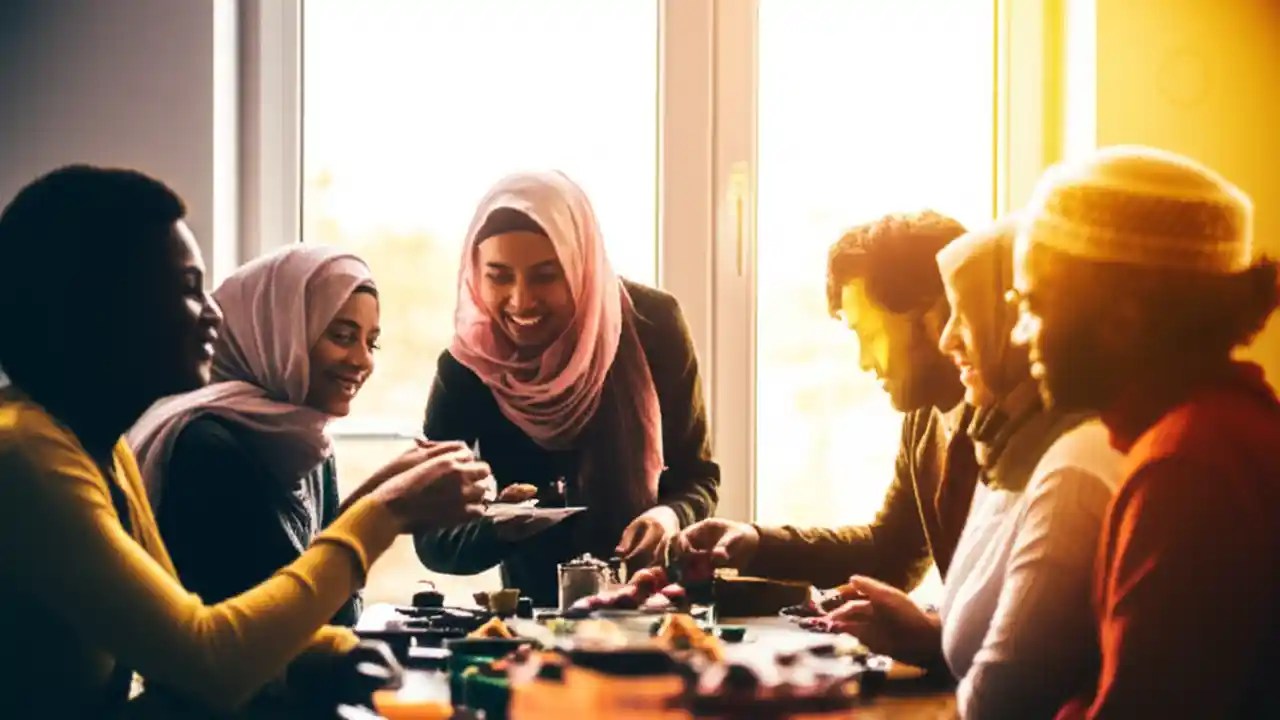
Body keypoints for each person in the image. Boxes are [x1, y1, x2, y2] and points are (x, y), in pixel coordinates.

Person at [0, 165, 489, 716]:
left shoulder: (99, 443)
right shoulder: (24, 458)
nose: (213, 313)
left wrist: (334, 648)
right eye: (188, 289)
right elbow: (208, 661)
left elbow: (185, 624)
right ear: (98, 307)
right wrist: (388, 511)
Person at [1010, 145, 1280, 719]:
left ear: (1122, 320)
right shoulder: (1217, 432)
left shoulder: (1185, 471)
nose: (1020, 335)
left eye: (1035, 305)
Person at [824, 217, 1121, 717]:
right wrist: (927, 637)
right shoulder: (1003, 446)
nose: (946, 339)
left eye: (963, 315)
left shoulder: (1069, 467)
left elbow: (1008, 692)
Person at [413, 170, 720, 605]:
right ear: (474, 274)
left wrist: (669, 517)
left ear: (581, 266)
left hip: (653, 610)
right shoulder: (469, 366)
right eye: (499, 276)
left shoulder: (653, 326)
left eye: (545, 275)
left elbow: (698, 478)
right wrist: (499, 527)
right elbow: (432, 538)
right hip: (533, 628)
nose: (521, 301)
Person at [673, 211, 977, 624]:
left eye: (870, 335)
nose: (865, 361)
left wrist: (930, 633)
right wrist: (757, 542)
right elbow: (890, 553)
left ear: (930, 317)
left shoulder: (1018, 426)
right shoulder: (924, 420)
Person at [128, 244, 386, 626]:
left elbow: (337, 596)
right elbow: (275, 628)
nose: (363, 360)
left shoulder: (308, 441)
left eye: (371, 342)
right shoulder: (205, 447)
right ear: (279, 332)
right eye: (343, 336)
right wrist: (388, 506)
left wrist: (387, 489)